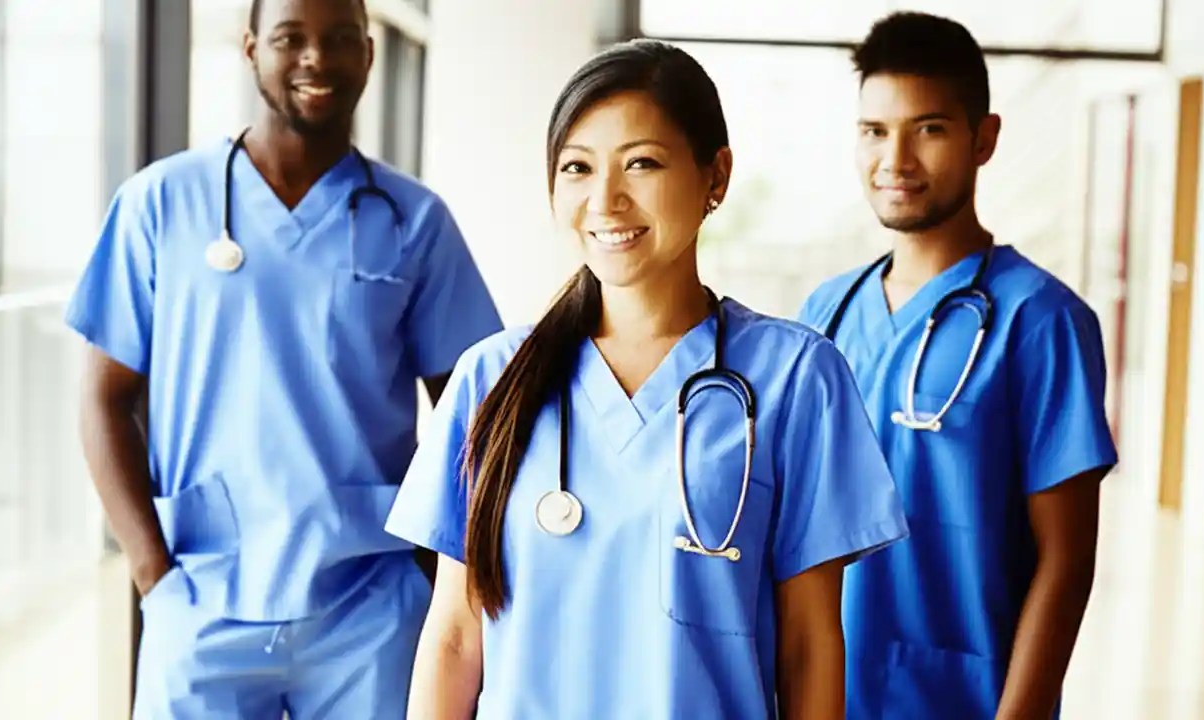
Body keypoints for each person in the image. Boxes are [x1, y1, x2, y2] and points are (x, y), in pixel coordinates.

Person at [383, 39, 908, 719]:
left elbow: (809, 642)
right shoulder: (494, 379)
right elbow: (455, 637)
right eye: (577, 167)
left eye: (643, 164)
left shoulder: (796, 380)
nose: (607, 200)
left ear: (715, 176)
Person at [67, 0, 502, 716]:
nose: (315, 59)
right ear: (250, 49)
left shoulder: (415, 221)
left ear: (368, 53)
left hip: (370, 609)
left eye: (338, 40)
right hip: (202, 598)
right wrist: (153, 573)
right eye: (289, 38)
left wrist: (432, 577)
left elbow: (471, 418)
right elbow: (102, 399)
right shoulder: (161, 203)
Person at [796, 12, 1118, 720]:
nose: (896, 160)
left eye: (929, 129)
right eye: (875, 132)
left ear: (985, 138)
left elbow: (1065, 563)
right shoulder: (824, 313)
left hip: (967, 696)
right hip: (825, 695)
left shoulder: (1041, 321)